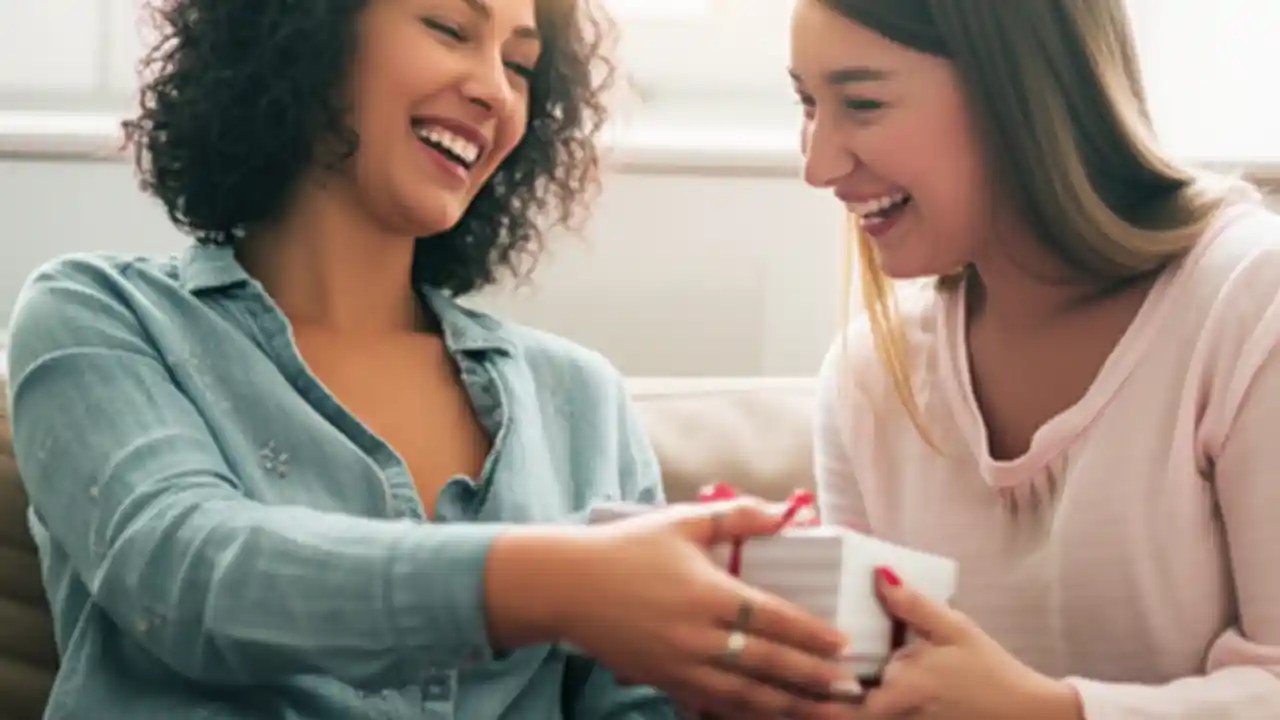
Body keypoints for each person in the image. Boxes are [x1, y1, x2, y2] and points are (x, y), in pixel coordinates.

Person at [3, 0, 862, 718]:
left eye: (522, 65)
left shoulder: (578, 399)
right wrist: (561, 583)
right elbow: (187, 572)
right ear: (309, 27)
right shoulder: (102, 318)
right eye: (451, 28)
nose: (494, 89)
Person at [792, 1, 1280, 718]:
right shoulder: (870, 375)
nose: (817, 164)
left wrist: (1050, 710)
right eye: (807, 103)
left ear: (1022, 92)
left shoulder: (1248, 306)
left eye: (862, 104)